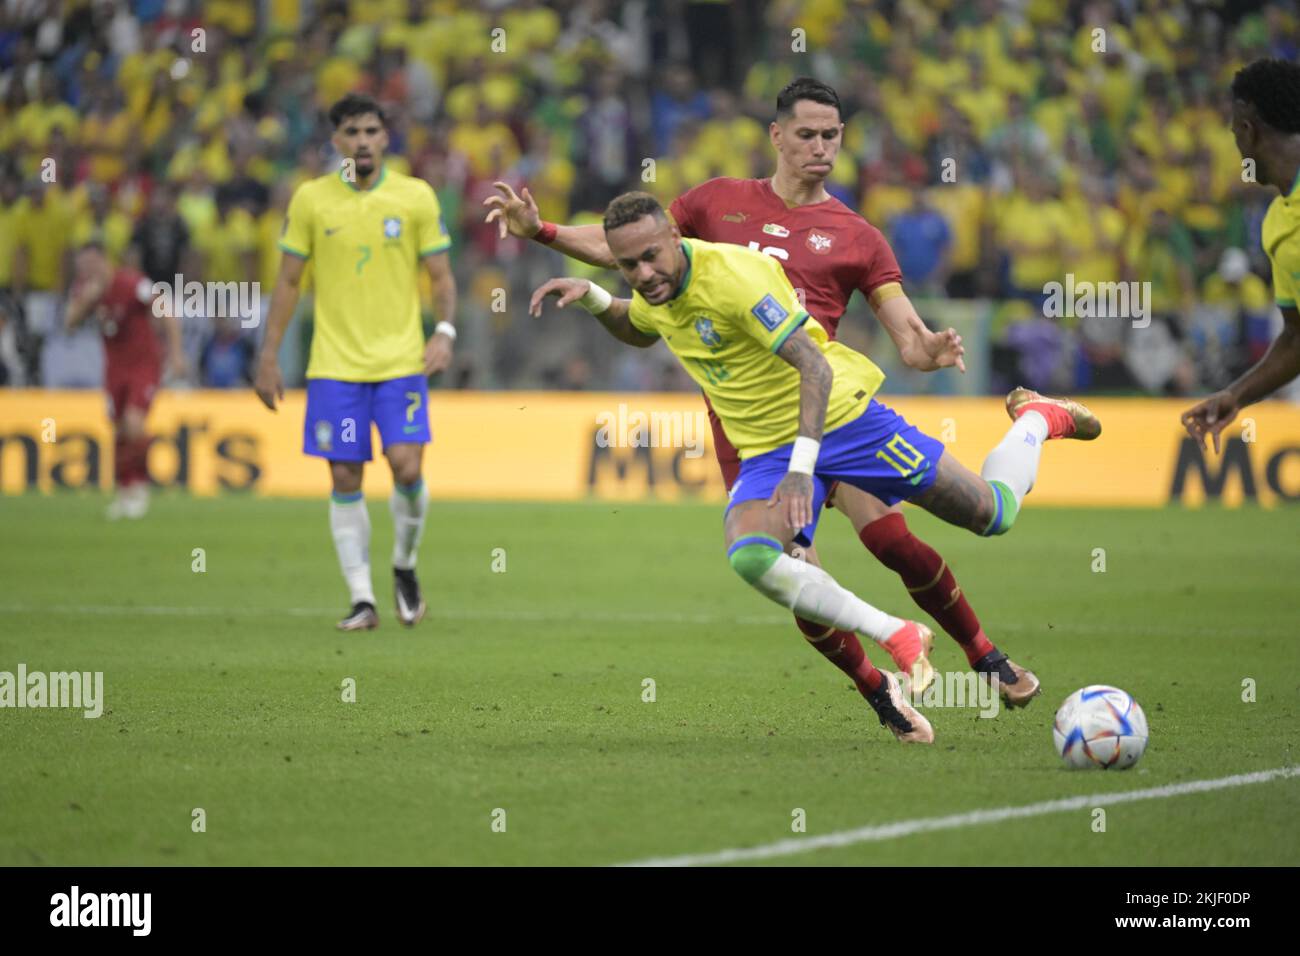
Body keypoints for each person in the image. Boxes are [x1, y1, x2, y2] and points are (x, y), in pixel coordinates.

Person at [488, 78, 998, 700]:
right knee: (790, 572)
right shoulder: (714, 204)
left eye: (831, 135)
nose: (820, 147)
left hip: (827, 409)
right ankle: (882, 692)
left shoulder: (857, 235)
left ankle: (984, 656)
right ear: (776, 136)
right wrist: (545, 233)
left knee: (896, 539)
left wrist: (930, 350)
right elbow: (628, 248)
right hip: (747, 428)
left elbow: (910, 340)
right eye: (806, 134)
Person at [531, 193, 1101, 742]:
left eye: (651, 256)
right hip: (768, 450)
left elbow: (815, 368)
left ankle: (1036, 419)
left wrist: (805, 470)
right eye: (628, 265)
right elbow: (642, 326)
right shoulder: (661, 287)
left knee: (990, 514)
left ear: (677, 238)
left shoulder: (736, 276)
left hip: (846, 423)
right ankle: (896, 638)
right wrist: (593, 297)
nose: (643, 273)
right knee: (752, 555)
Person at [254, 93, 458, 631]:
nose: (363, 141)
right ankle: (362, 599)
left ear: (385, 137)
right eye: (352, 132)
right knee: (345, 474)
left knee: (407, 466)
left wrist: (444, 330)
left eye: (371, 131)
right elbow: (288, 281)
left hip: (399, 362)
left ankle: (405, 567)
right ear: (336, 140)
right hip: (335, 367)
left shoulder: (414, 197)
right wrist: (269, 354)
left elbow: (440, 277)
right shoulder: (311, 200)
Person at [1182, 58, 1300, 451]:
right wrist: (1237, 393)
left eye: (1234, 133)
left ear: (1248, 132)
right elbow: (1297, 337)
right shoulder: (1277, 225)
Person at [64, 242, 185, 519]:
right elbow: (68, 324)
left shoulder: (131, 282)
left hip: (144, 365)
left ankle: (140, 487)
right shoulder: (85, 291)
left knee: (134, 423)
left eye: (91, 263)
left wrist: (176, 353)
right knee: (119, 430)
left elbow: (165, 310)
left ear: (104, 260)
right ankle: (125, 489)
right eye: (82, 266)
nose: (87, 270)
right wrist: (86, 301)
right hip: (114, 369)